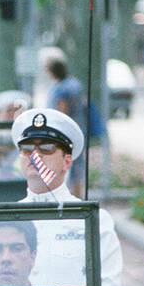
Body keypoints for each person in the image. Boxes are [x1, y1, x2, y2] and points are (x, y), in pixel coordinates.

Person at [13, 107, 122, 286]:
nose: (35, 156)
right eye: (27, 149)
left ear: (67, 161)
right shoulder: (3, 218)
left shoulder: (92, 220)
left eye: (46, 148)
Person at [44, 54, 86, 197]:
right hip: (77, 129)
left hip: (63, 133)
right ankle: (78, 196)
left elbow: (62, 112)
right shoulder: (74, 84)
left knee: (65, 166)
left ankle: (70, 197)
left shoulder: (61, 89)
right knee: (76, 165)